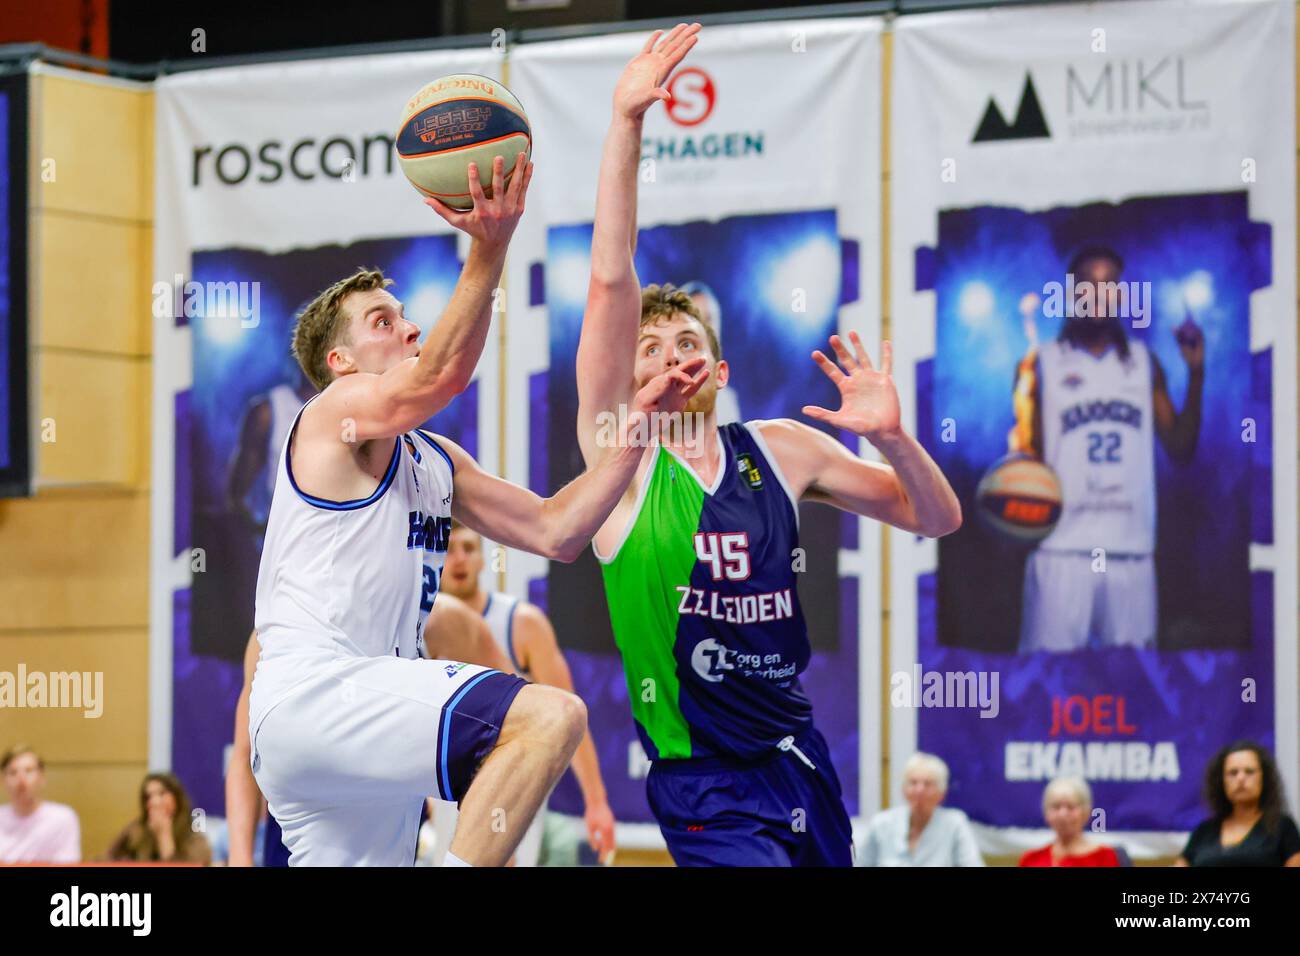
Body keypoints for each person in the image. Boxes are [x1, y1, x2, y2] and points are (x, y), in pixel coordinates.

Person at [249, 149, 708, 866]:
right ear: (338, 363)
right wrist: (489, 246)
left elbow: (557, 531)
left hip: (355, 728)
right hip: (317, 690)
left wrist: (638, 433)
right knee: (550, 714)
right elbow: (438, 379)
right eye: (381, 321)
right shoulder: (331, 414)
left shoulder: (435, 462)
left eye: (404, 316)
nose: (407, 329)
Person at [574, 24, 962, 867]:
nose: (669, 357)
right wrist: (627, 123)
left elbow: (936, 519)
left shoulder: (783, 449)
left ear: (719, 368)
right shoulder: (620, 458)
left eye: (686, 343)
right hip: (701, 779)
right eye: (648, 347)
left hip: (799, 764)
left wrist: (895, 439)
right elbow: (611, 277)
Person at [227, 595, 514, 866]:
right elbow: (244, 754)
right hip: (298, 830)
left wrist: (496, 846)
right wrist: (240, 859)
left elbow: (512, 732)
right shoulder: (281, 631)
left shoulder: (446, 623)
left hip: (391, 829)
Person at [1013, 246, 1204, 653]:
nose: (1098, 294)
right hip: (1060, 549)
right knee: (1046, 690)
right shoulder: (1041, 363)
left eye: (1110, 284)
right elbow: (1025, 458)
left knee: (1134, 692)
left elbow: (1181, 449)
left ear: (1121, 295)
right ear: (1070, 293)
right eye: (1087, 284)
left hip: (1130, 550)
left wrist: (1197, 372)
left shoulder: (1143, 362)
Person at [434, 520, 617, 866]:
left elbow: (567, 712)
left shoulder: (522, 623)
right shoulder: (421, 623)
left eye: (469, 548)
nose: (459, 559)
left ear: (482, 558)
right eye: (448, 550)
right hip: (443, 783)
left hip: (513, 780)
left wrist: (596, 801)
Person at [1176, 741, 1300, 867]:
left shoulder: (1282, 827)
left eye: (1249, 771)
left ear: (1264, 778)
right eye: (1233, 773)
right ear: (1221, 781)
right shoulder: (1203, 832)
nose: (1240, 779)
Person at [859, 753, 982, 867]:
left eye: (927, 784)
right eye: (913, 783)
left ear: (942, 793)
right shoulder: (882, 823)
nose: (919, 790)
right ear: (904, 790)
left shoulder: (955, 824)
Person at [106, 772, 212, 864]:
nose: (154, 802)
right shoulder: (135, 829)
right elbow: (106, 859)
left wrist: (164, 836)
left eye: (162, 794)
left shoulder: (193, 830)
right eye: (148, 797)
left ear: (177, 797)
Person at [0, 745, 80, 863]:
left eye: (28, 771)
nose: (21, 779)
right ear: (3, 780)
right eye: (13, 772)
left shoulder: (62, 818)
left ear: (41, 777)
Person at [1018, 777, 1118, 867]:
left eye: (1070, 807)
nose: (1063, 814)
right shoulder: (1031, 859)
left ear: (1085, 812)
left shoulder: (1104, 857)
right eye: (1056, 807)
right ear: (1046, 813)